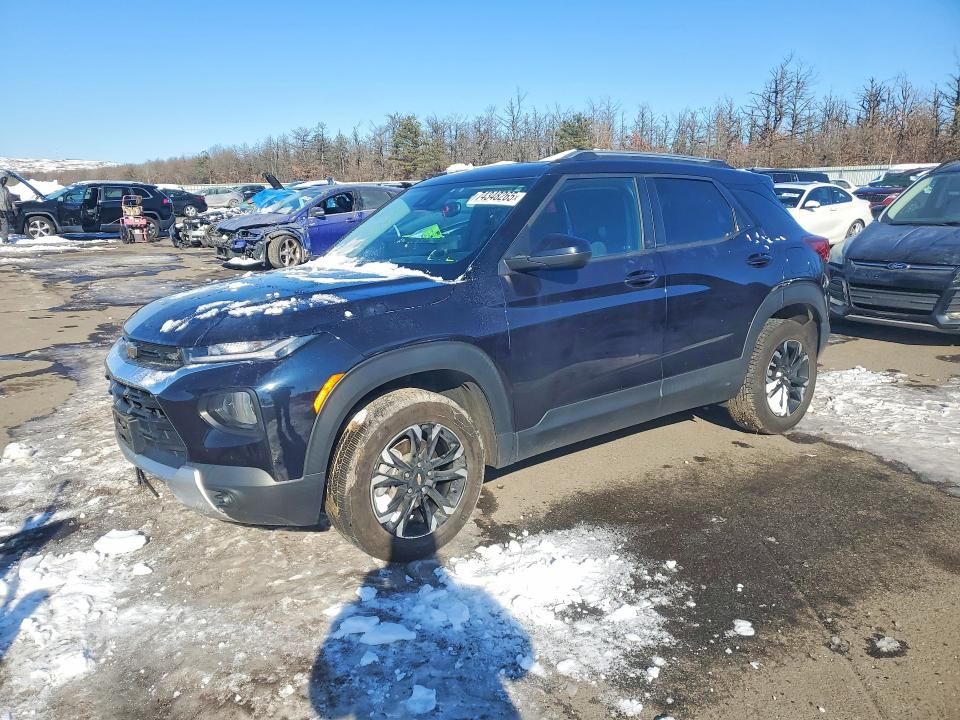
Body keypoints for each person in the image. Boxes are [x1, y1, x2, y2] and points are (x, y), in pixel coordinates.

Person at [0, 173, 19, 244]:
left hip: (4, 209)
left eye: (5, 180)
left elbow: (9, 199)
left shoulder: (6, 189)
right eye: (3, 179)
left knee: (5, 225)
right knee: (4, 224)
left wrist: (13, 208)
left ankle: (5, 239)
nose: (4, 181)